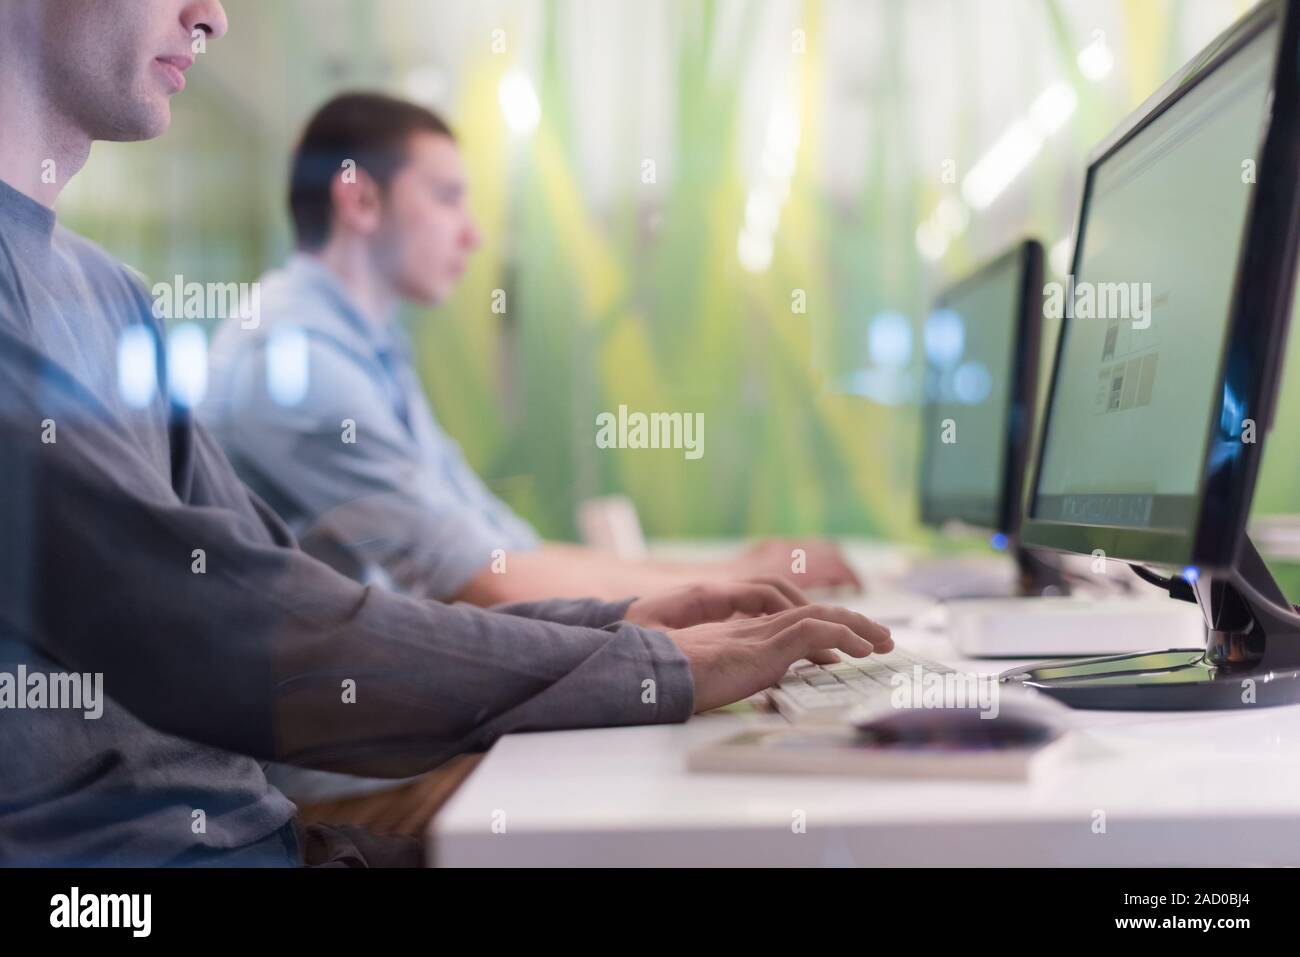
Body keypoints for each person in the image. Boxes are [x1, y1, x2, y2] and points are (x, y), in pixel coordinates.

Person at [0, 0, 891, 866]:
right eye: (449, 197)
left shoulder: (113, 297)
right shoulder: (295, 358)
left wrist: (622, 624)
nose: (215, 14)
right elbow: (239, 623)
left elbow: (286, 586)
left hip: (269, 828)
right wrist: (648, 657)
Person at [202, 92, 861, 606]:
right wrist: (728, 583)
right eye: (448, 198)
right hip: (337, 773)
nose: (474, 235)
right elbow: (486, 580)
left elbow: (502, 547)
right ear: (361, 198)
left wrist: (731, 576)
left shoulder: (367, 353)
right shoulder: (295, 364)